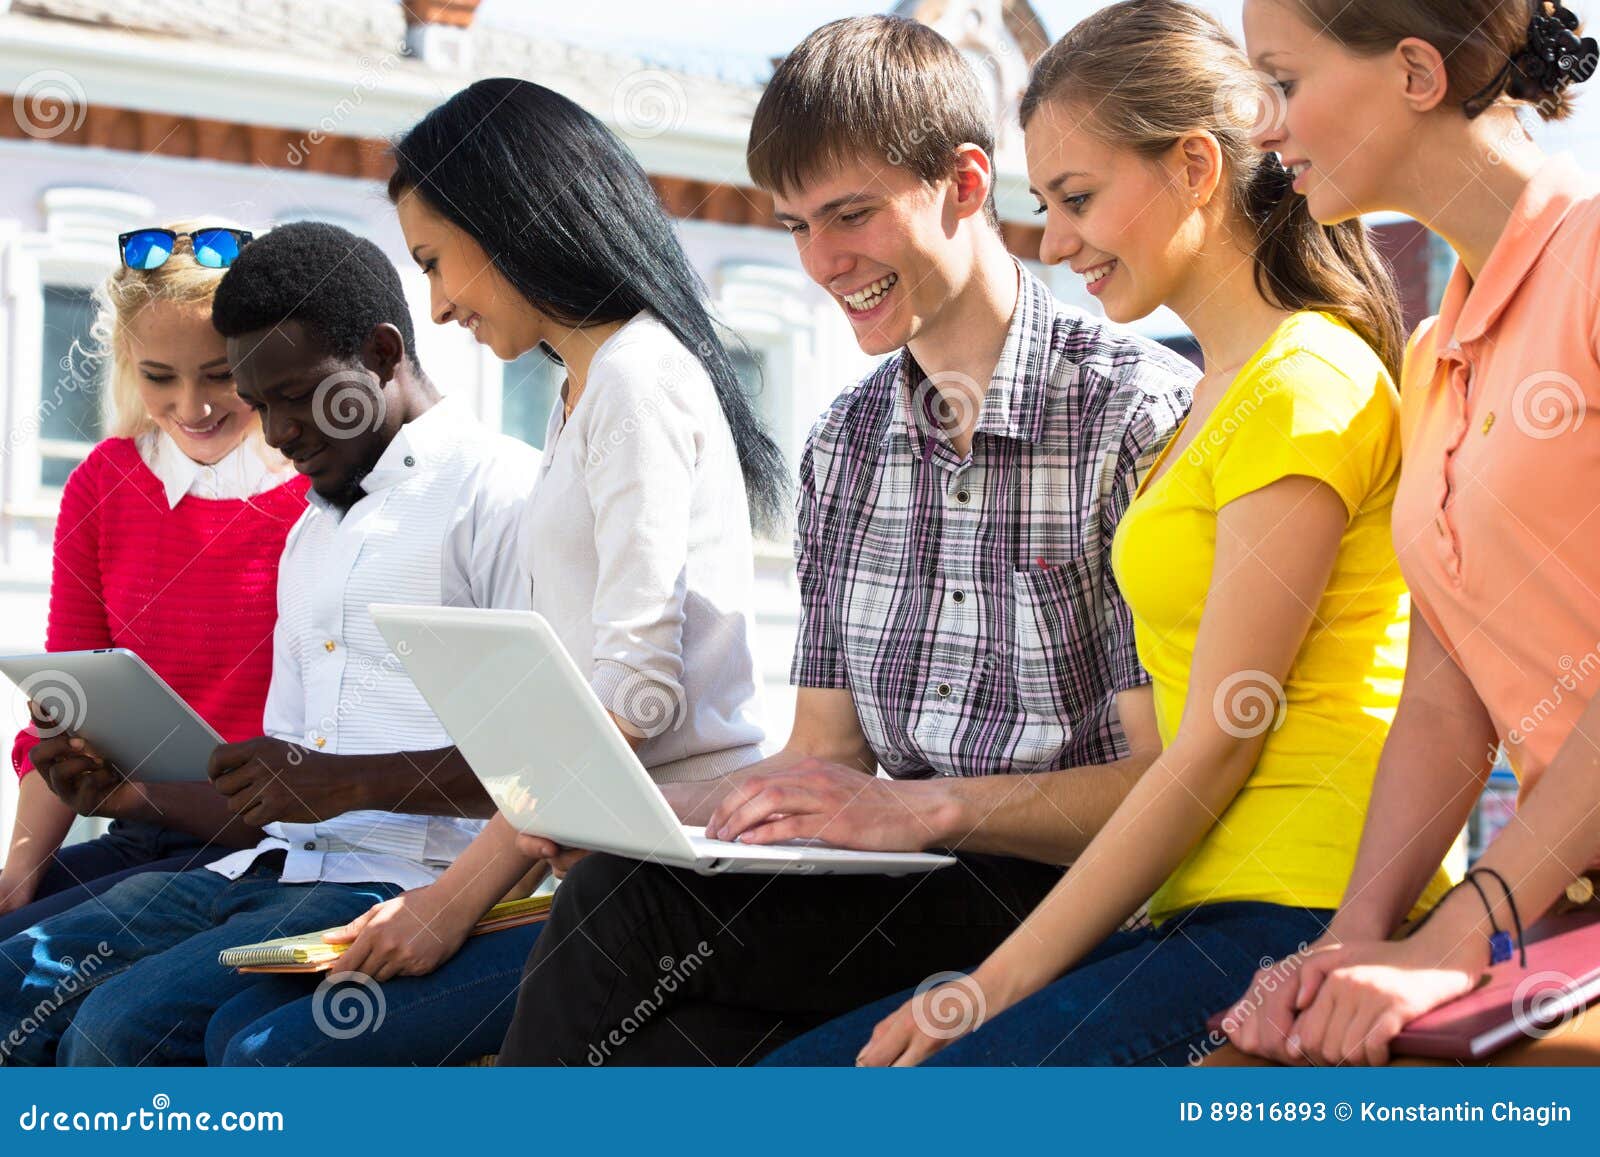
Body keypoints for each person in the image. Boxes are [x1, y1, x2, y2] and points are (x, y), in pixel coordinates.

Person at [494, 15, 1197, 1067]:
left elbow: (1167, 777)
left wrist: (916, 809)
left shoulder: (1135, 416)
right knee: (646, 977)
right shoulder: (847, 441)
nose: (826, 260)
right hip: (895, 889)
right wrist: (632, 807)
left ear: (965, 183)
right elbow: (825, 754)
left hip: (1072, 896)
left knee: (630, 927)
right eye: (795, 227)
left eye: (853, 214)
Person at [767, 0, 1454, 1067]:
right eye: (1045, 202)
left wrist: (994, 984)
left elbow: (1214, 743)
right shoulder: (1210, 404)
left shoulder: (1303, 381)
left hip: (1290, 908)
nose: (1056, 240)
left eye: (1079, 197)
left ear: (1192, 166)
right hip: (1198, 908)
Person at [203, 77, 781, 1066]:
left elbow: (632, 697)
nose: (437, 302)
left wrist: (453, 896)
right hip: (583, 857)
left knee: (276, 1053)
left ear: (509, 222)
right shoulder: (586, 386)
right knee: (236, 1030)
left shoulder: (637, 381)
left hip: (659, 872)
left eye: (434, 260)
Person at [0, 220, 540, 1065]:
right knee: (16, 978)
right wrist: (127, 796)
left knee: (115, 1031)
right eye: (264, 404)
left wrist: (342, 781)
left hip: (399, 880)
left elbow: (542, 768)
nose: (278, 433)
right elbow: (276, 798)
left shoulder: (498, 493)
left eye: (293, 397)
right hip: (267, 868)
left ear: (383, 351)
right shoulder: (313, 530)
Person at [1227, 0, 1600, 1067]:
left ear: (1412, 74)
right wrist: (1351, 936)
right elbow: (1444, 696)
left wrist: (1452, 936)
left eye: (1284, 82)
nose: (1264, 125)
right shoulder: (1431, 351)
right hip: (1556, 917)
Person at [0, 221, 306, 943]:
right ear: (127, 366)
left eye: (220, 373)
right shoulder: (102, 484)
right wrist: (18, 869)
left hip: (269, 850)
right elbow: (64, 715)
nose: (192, 407)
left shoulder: (314, 498)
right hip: (140, 834)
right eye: (160, 377)